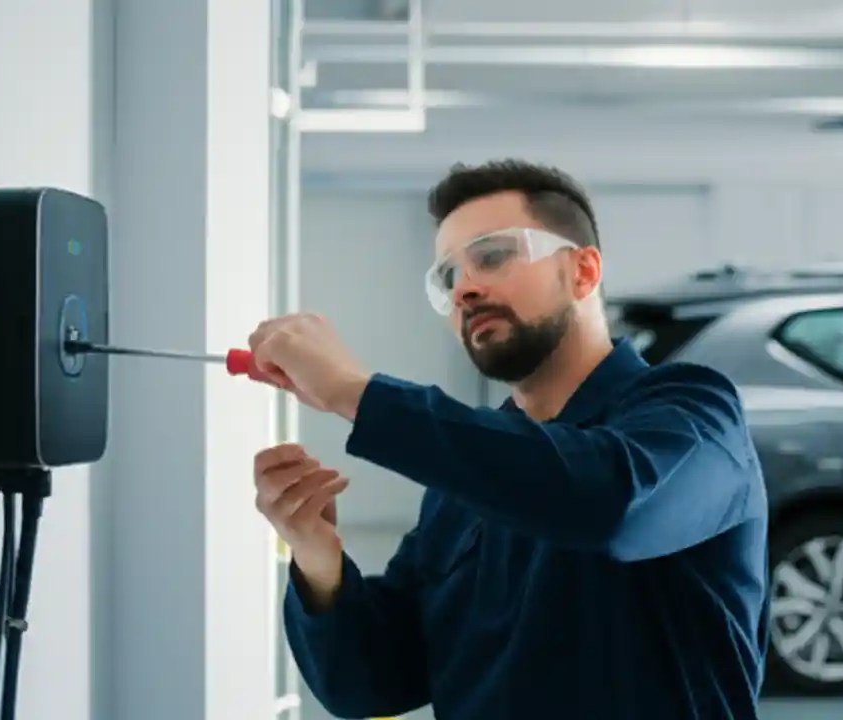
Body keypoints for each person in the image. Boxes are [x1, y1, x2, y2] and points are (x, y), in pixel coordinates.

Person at [248, 159, 770, 719]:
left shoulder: (695, 416)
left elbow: (609, 503)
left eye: (493, 256)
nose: (465, 288)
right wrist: (319, 560)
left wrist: (355, 391)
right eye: (448, 276)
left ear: (583, 272)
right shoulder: (460, 487)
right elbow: (372, 685)